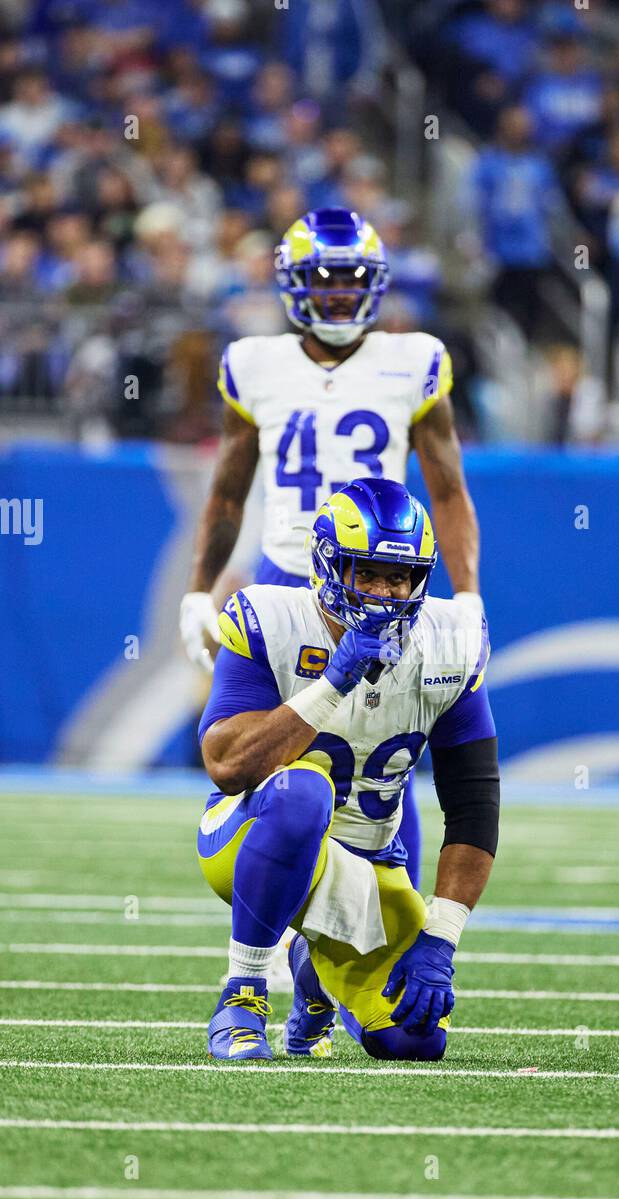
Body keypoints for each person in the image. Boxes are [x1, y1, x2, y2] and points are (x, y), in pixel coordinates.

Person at [179, 206, 481, 888]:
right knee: (266, 757)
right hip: (285, 579)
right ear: (292, 284)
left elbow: (450, 492)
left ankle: (378, 911)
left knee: (383, 762)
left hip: (379, 583)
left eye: (351, 279)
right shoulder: (254, 363)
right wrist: (199, 585)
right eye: (323, 279)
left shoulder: (416, 359)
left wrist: (466, 594)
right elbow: (228, 492)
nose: (340, 293)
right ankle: (266, 946)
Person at [196, 478, 500, 1062]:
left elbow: (474, 807)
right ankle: (244, 994)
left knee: (415, 1039)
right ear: (330, 569)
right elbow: (226, 765)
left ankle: (315, 970)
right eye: (368, 574)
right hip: (249, 834)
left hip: (368, 863)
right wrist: (332, 682)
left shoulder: (451, 641)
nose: (387, 593)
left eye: (400, 577)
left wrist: (441, 936)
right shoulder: (269, 618)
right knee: (302, 794)